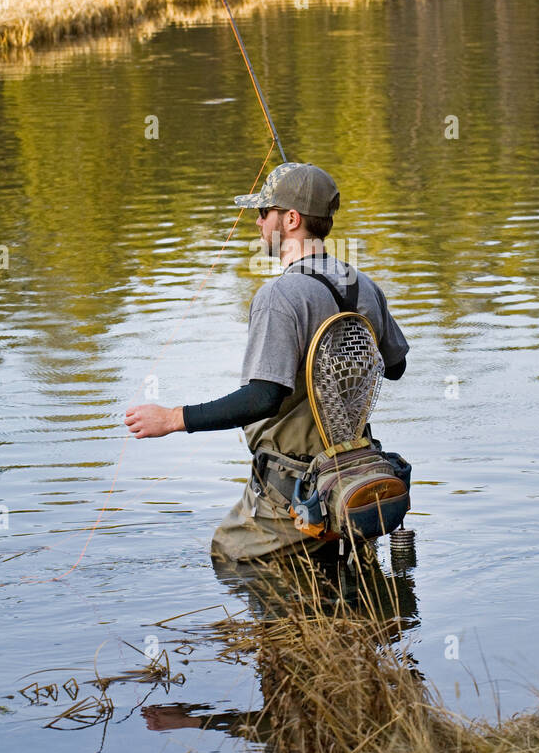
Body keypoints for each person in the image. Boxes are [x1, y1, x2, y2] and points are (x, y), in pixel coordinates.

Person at [124, 162, 409, 560]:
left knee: (229, 558)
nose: (257, 223)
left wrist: (173, 419)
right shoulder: (364, 285)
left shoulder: (280, 297)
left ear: (291, 219)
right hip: (352, 482)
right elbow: (395, 367)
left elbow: (263, 398)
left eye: (264, 212)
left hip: (292, 496)